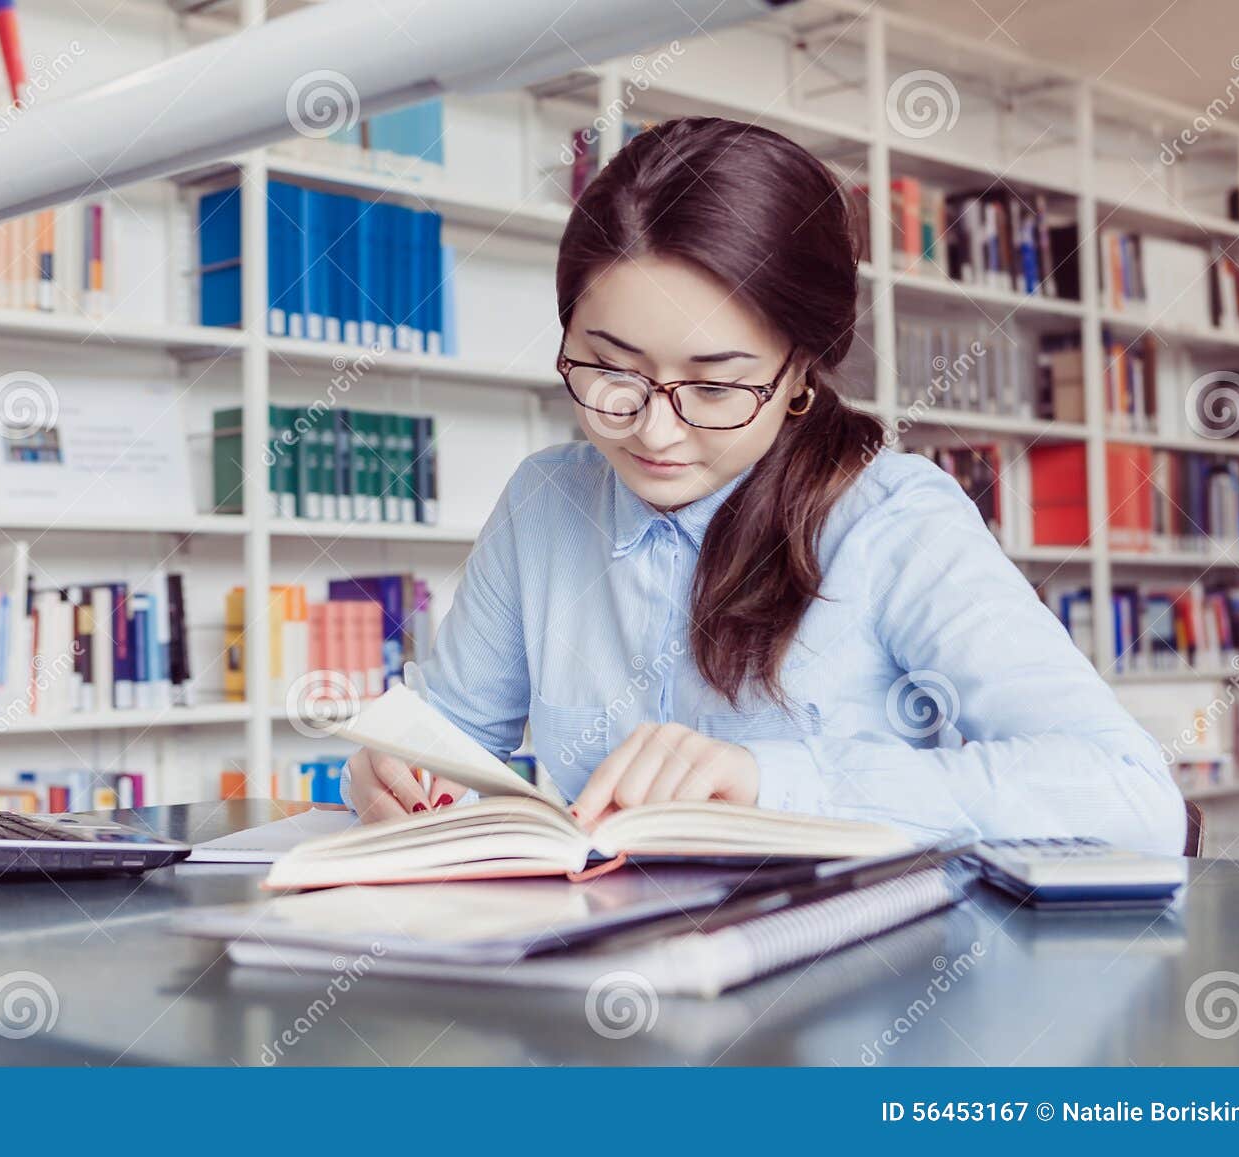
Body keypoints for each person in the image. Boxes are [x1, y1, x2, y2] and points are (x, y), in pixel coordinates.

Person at [341, 116, 1184, 855]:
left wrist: (770, 782)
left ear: (800, 371)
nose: (653, 432)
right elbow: (448, 744)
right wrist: (389, 774)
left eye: (715, 387)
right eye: (610, 371)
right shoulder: (546, 503)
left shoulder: (892, 519)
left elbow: (1133, 794)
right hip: (608, 965)